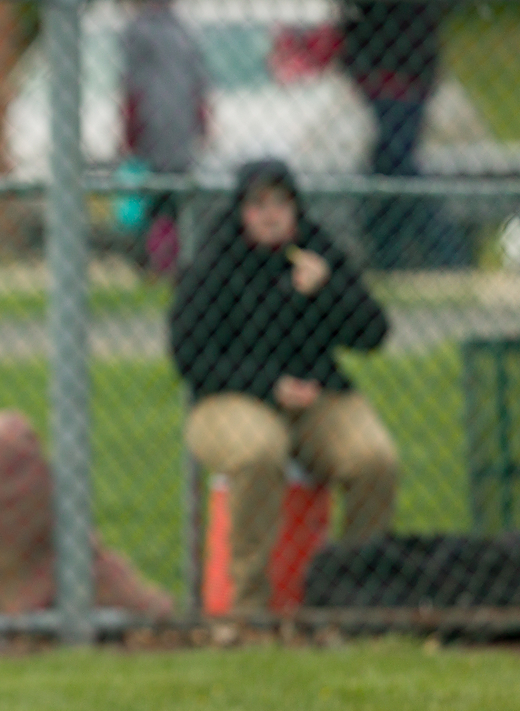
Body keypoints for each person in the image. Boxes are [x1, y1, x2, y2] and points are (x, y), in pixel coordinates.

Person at [170, 159, 398, 613]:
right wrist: (269, 386)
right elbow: (191, 357)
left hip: (316, 396)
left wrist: (328, 290)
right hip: (231, 398)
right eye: (257, 205)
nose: (271, 215)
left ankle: (354, 601)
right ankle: (248, 608)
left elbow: (374, 333)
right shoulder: (216, 262)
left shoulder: (315, 253)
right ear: (241, 212)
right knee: (258, 453)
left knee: (374, 461)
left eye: (281, 203)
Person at [339, 0, 468, 269]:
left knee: (395, 162)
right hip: (380, 72)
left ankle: (445, 252)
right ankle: (390, 255)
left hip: (408, 74)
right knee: (389, 163)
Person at [119, 0, 208, 276]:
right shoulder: (183, 31)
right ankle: (169, 259)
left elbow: (131, 85)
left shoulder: (138, 31)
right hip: (179, 126)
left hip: (154, 124)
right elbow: (199, 85)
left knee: (158, 197)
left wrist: (129, 130)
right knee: (172, 196)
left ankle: (160, 261)